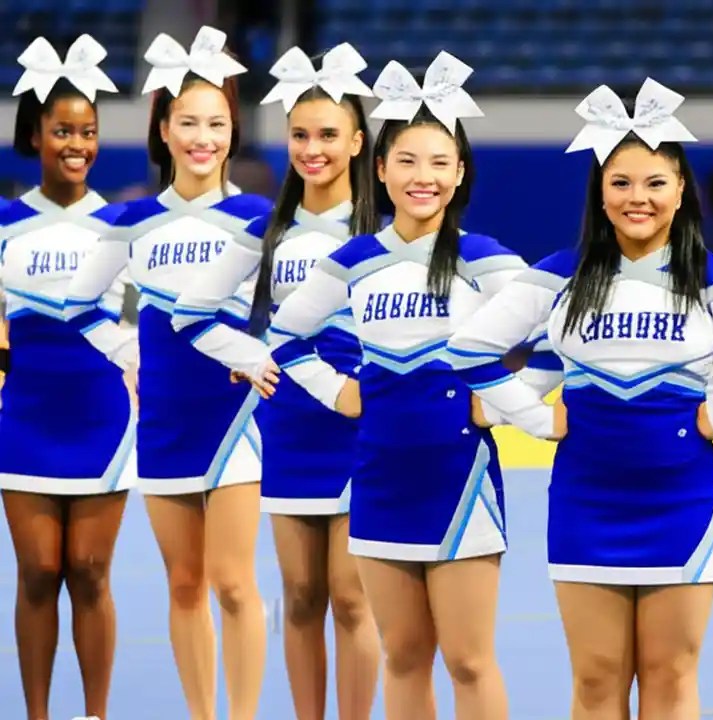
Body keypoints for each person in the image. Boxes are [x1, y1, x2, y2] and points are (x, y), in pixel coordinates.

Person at [448, 78, 713, 720]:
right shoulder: (562, 273)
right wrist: (537, 419)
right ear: (600, 191)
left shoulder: (710, 276)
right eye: (620, 182)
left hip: (682, 502)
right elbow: (470, 351)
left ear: (680, 190)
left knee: (671, 679)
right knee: (595, 681)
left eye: (653, 182)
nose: (636, 198)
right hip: (586, 501)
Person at [244, 52, 517, 720]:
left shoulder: (485, 260)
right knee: (401, 656)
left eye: (438, 163)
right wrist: (337, 391)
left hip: (461, 482)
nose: (422, 177)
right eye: (408, 162)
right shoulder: (354, 260)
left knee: (469, 659)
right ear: (383, 168)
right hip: (378, 478)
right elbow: (285, 337)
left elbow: (568, 330)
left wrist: (505, 401)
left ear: (459, 173)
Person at [64, 26, 272, 720]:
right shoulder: (132, 221)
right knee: (184, 584)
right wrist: (130, 355)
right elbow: (78, 305)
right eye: (188, 121)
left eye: (216, 122)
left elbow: (302, 306)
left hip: (233, 417)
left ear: (232, 131)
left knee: (235, 582)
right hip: (162, 423)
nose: (202, 136)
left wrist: (261, 353)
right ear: (163, 127)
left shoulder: (258, 217)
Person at [170, 43, 382, 720]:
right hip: (289, 427)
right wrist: (251, 353)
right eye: (299, 135)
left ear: (356, 141)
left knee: (353, 597)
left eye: (327, 135)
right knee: (300, 597)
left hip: (363, 422)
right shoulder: (269, 228)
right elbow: (190, 311)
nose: (312, 149)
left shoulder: (384, 227)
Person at [0, 34, 136, 720]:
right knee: (37, 573)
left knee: (88, 571)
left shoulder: (119, 225)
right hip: (24, 417)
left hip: (99, 416)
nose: (76, 144)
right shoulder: (4, 226)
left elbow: (154, 321)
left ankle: (95, 714)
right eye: (62, 131)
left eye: (87, 131)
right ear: (35, 135)